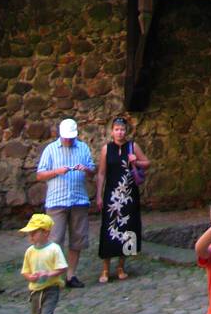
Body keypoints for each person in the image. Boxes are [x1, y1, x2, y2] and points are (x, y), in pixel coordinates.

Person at [35, 118, 96, 288]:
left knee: (77, 240)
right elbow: (40, 175)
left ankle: (71, 275)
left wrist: (87, 169)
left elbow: (93, 171)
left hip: (78, 200)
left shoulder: (83, 147)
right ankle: (55, 276)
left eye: (71, 137)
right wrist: (56, 171)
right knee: (55, 241)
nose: (68, 140)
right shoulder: (51, 150)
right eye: (66, 137)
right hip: (57, 201)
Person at [96, 116, 148, 283]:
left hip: (129, 195)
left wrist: (137, 161)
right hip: (112, 195)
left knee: (128, 228)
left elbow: (147, 163)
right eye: (117, 129)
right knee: (108, 229)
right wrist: (98, 194)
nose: (120, 132)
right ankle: (105, 268)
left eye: (122, 129)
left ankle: (121, 266)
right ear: (112, 131)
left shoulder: (133, 146)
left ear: (126, 131)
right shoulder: (106, 149)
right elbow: (102, 172)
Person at [20, 213, 67, 314]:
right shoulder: (30, 252)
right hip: (35, 291)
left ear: (45, 233)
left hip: (51, 289)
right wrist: (30, 277)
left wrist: (49, 273)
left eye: (34, 232)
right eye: (30, 233)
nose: (31, 236)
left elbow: (62, 267)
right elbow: (25, 271)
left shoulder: (54, 249)